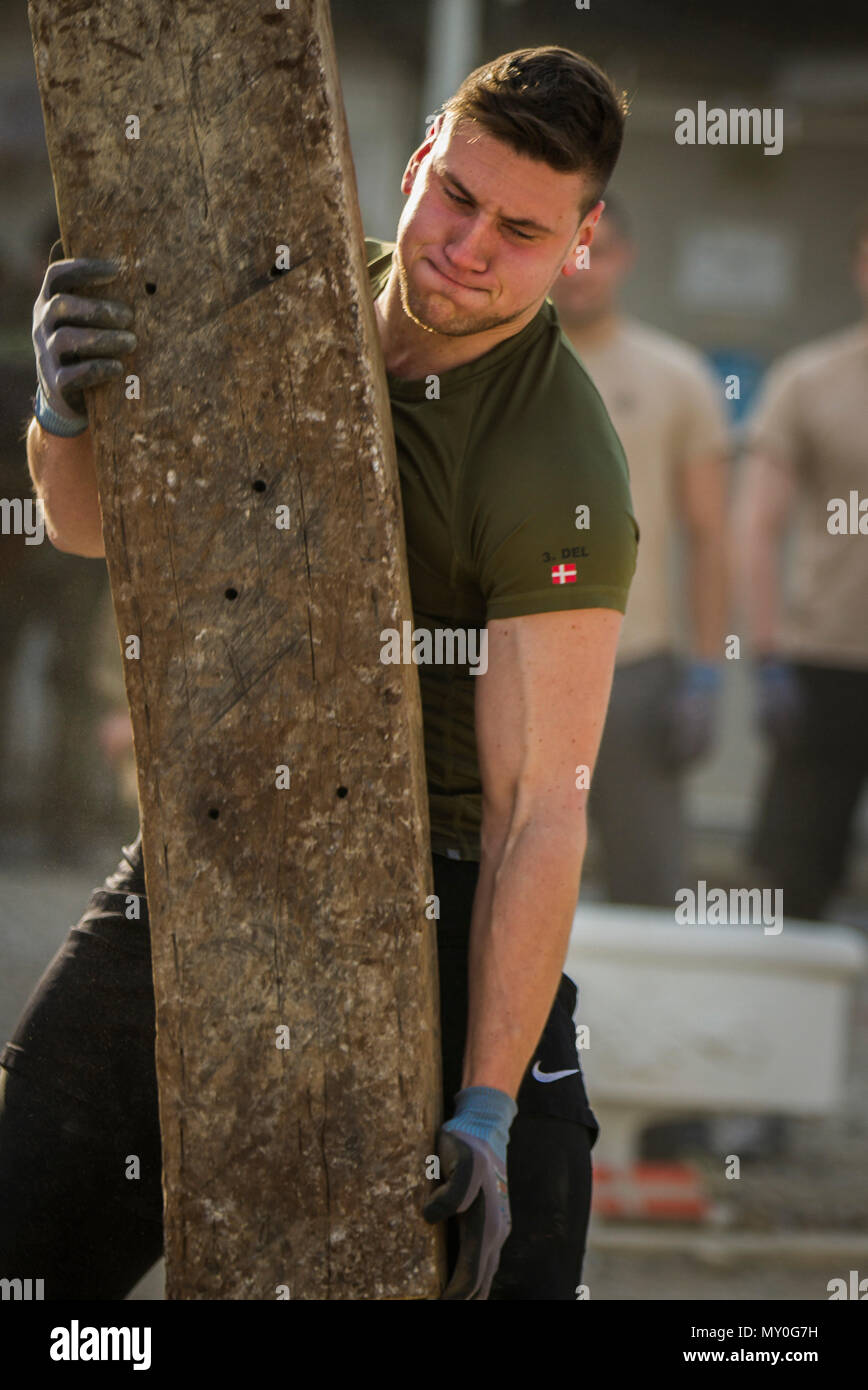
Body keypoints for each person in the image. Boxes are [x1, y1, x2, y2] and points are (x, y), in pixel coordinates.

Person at [1, 46, 638, 1300]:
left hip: (442, 896)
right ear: (413, 164)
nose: (466, 245)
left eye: (520, 229)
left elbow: (537, 811)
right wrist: (64, 411)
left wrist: (489, 1104)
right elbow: (86, 528)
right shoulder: (283, 303)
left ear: (578, 239)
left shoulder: (553, 460)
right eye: (456, 196)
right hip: (212, 853)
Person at [550, 197, 730, 907]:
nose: (581, 268)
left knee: (648, 881)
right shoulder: (496, 365)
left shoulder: (677, 376)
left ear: (624, 257)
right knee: (501, 866)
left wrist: (707, 675)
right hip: (505, 657)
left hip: (636, 667)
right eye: (567, 248)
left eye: (599, 249)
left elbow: (708, 534)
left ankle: (642, 1024)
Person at [735, 208, 868, 923]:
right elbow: (757, 524)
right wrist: (768, 653)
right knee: (793, 877)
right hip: (824, 661)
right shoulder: (809, 380)